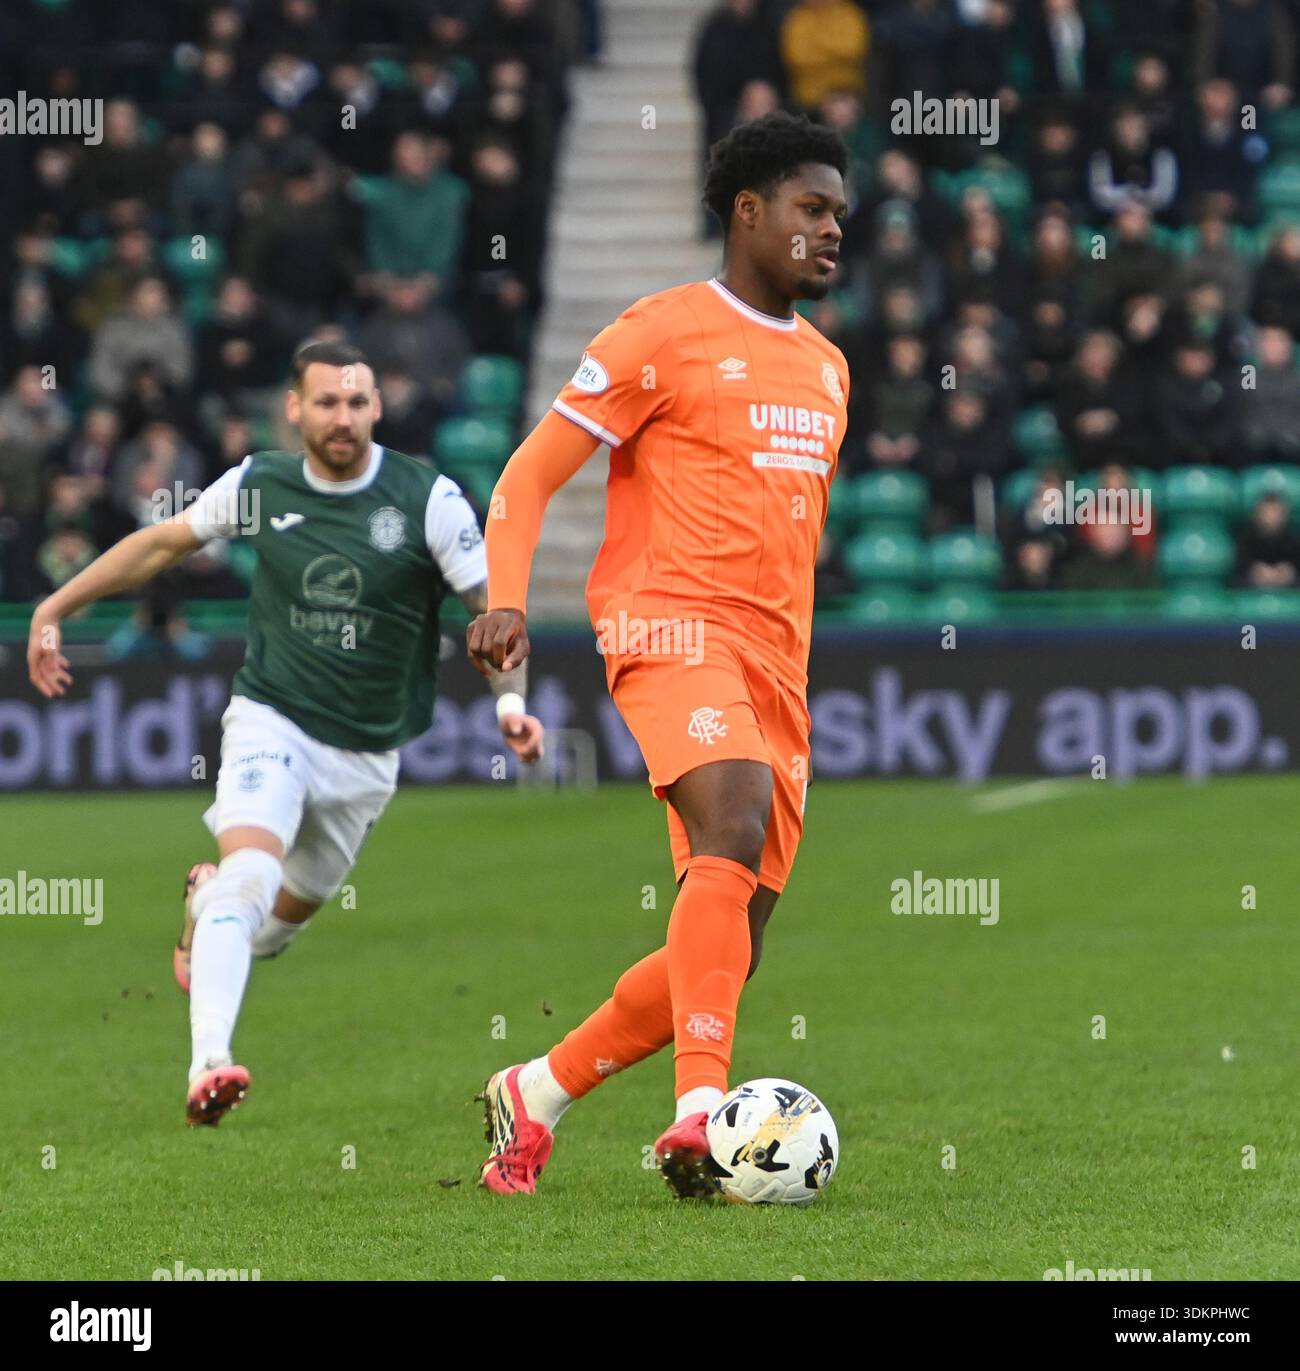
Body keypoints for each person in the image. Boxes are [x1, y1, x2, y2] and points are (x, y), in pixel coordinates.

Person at [466, 111, 849, 1199]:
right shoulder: (657, 333)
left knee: (726, 942)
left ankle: (533, 1092)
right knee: (727, 821)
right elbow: (529, 476)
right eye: (810, 209)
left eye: (839, 217)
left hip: (777, 668)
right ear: (748, 210)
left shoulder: (828, 370)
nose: (830, 233)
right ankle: (701, 1118)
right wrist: (505, 601)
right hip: (666, 626)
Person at [27, 340, 544, 1127]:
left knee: (263, 931)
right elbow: (162, 544)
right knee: (250, 873)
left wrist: (511, 707)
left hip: (368, 754)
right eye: (329, 402)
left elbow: (493, 616)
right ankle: (209, 1062)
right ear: (294, 408)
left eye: (359, 401)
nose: (345, 417)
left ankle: (206, 909)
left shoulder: (426, 498)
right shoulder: (259, 484)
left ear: (378, 408)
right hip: (274, 717)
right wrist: (53, 607)